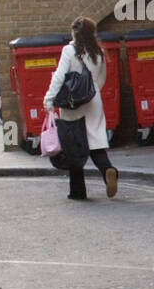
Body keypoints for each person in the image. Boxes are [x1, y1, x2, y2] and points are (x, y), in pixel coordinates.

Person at [44, 17, 117, 201]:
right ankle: (108, 170)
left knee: (73, 145)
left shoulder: (69, 50)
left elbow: (59, 77)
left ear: (75, 33)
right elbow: (101, 78)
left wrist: (49, 99)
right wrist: (92, 92)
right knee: (95, 139)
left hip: (72, 101)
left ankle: (78, 191)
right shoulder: (98, 52)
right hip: (93, 99)